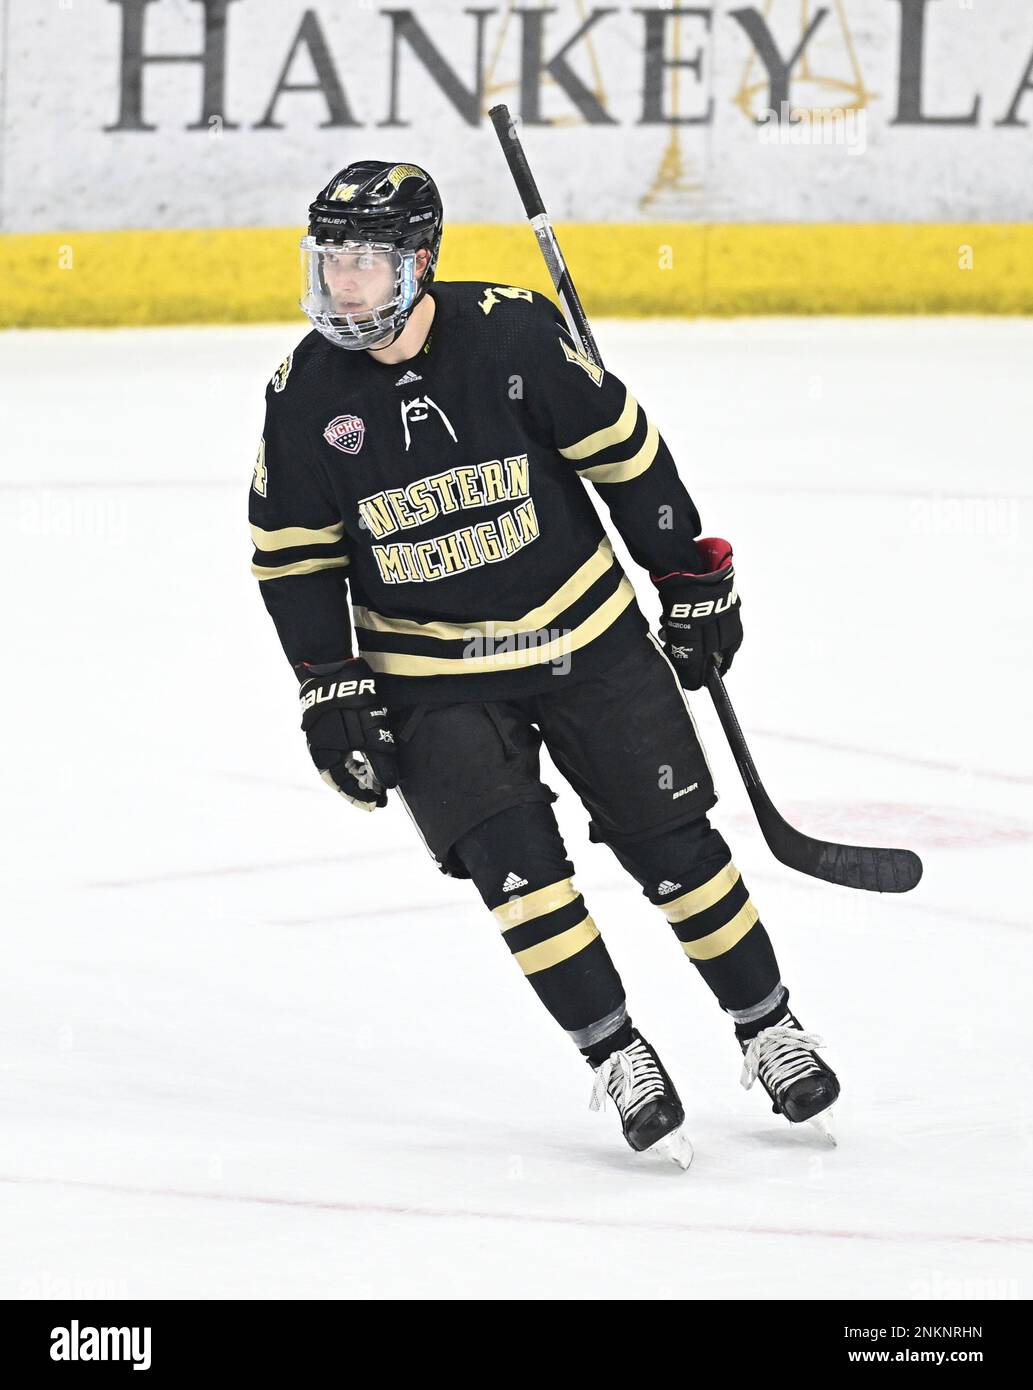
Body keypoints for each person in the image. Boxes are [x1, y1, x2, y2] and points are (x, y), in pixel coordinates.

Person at [249, 160, 839, 1169]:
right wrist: (329, 684)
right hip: (431, 678)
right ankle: (618, 1054)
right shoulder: (304, 393)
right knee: (515, 875)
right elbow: (295, 555)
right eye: (329, 262)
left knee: (675, 849)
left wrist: (687, 573)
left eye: (363, 262)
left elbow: (626, 456)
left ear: (420, 261)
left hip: (586, 640)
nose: (342, 285)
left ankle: (767, 1025)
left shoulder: (515, 334)